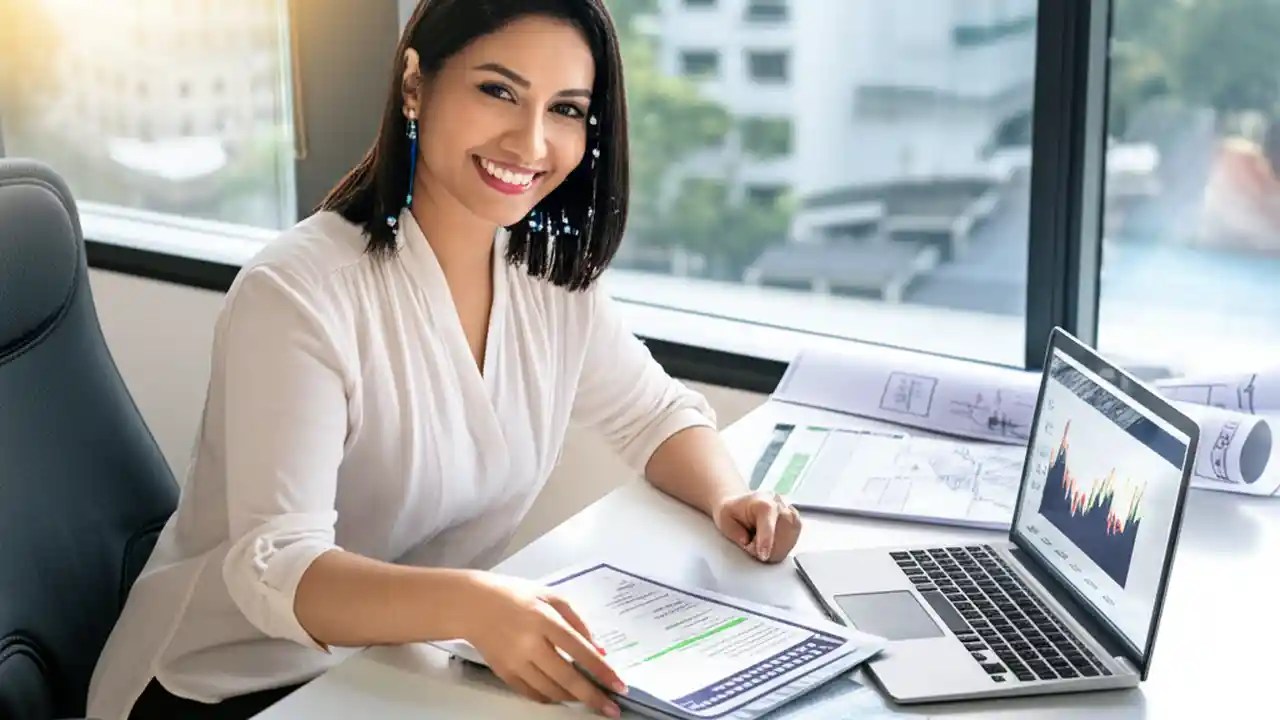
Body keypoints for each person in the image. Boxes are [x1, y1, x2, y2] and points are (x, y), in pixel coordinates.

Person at [86, 1, 802, 718]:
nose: (530, 141)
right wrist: (474, 604)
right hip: (229, 683)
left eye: (565, 109)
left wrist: (728, 497)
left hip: (398, 666)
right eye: (498, 91)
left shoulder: (543, 274)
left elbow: (654, 414)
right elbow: (278, 570)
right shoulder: (298, 293)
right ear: (414, 85)